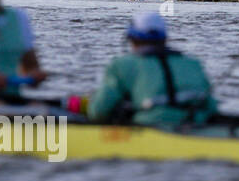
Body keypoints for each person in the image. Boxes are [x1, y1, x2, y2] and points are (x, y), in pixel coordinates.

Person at [88, 12, 217, 127]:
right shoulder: (193, 63)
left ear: (132, 39)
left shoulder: (122, 65)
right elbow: (211, 107)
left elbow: (98, 112)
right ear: (165, 39)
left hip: (149, 124)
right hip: (195, 124)